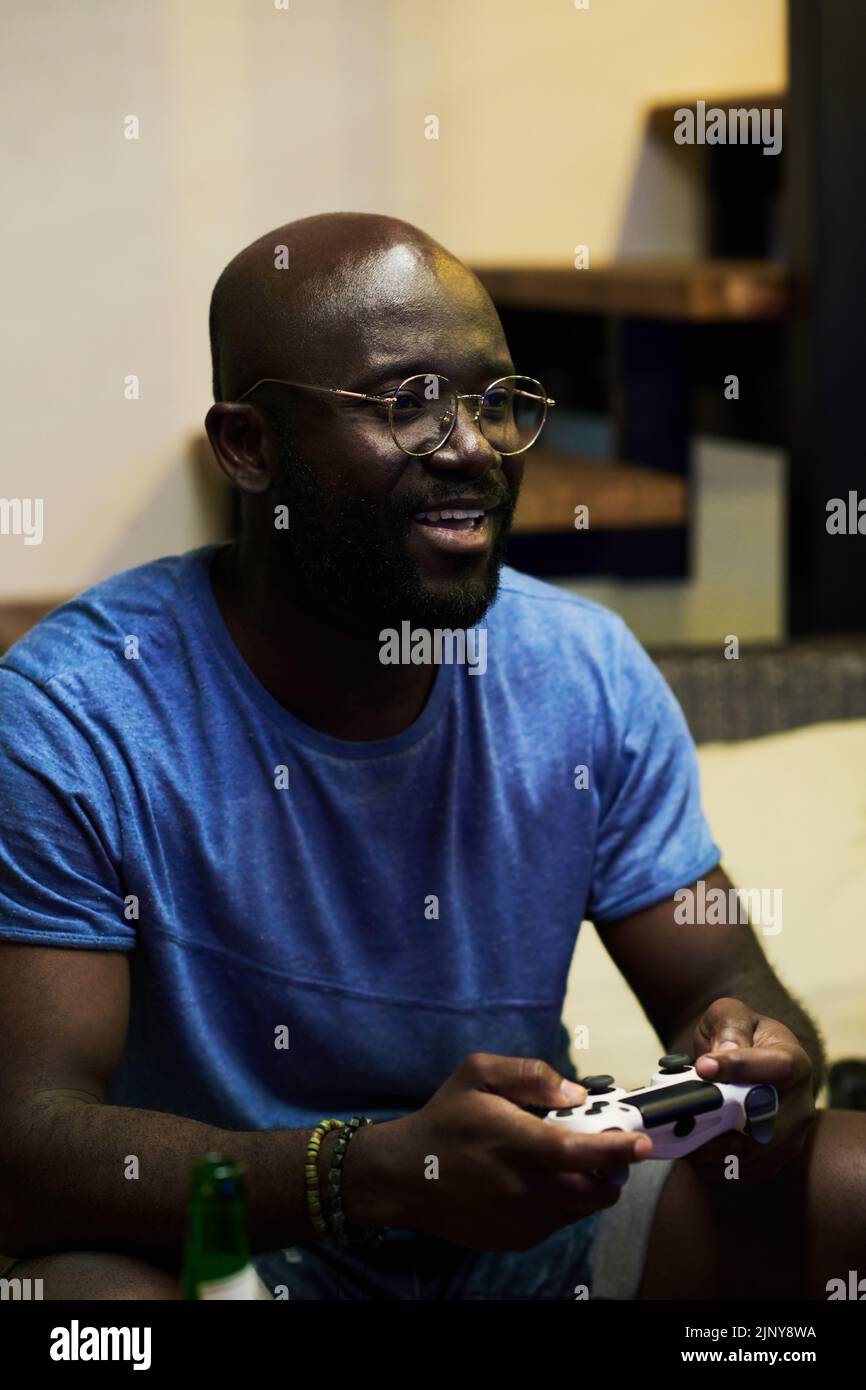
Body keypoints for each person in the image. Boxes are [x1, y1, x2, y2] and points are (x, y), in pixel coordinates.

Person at [0, 212, 863, 1301]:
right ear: (247, 446)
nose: (470, 449)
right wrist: (367, 1176)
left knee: (847, 1177)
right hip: (228, 1252)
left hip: (525, 1233)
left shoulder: (578, 668)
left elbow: (720, 981)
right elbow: (27, 1153)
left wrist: (752, 1059)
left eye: (494, 402)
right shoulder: (75, 714)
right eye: (407, 405)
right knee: (78, 1304)